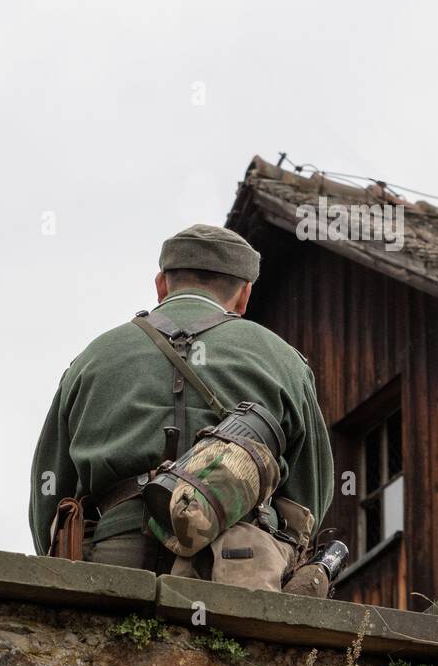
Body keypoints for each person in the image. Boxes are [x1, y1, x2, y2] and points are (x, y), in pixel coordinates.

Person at [29, 224, 334, 587]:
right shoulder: (284, 362)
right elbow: (310, 497)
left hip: (113, 566)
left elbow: (49, 493)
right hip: (236, 573)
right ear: (244, 295)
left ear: (161, 285)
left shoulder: (92, 359)